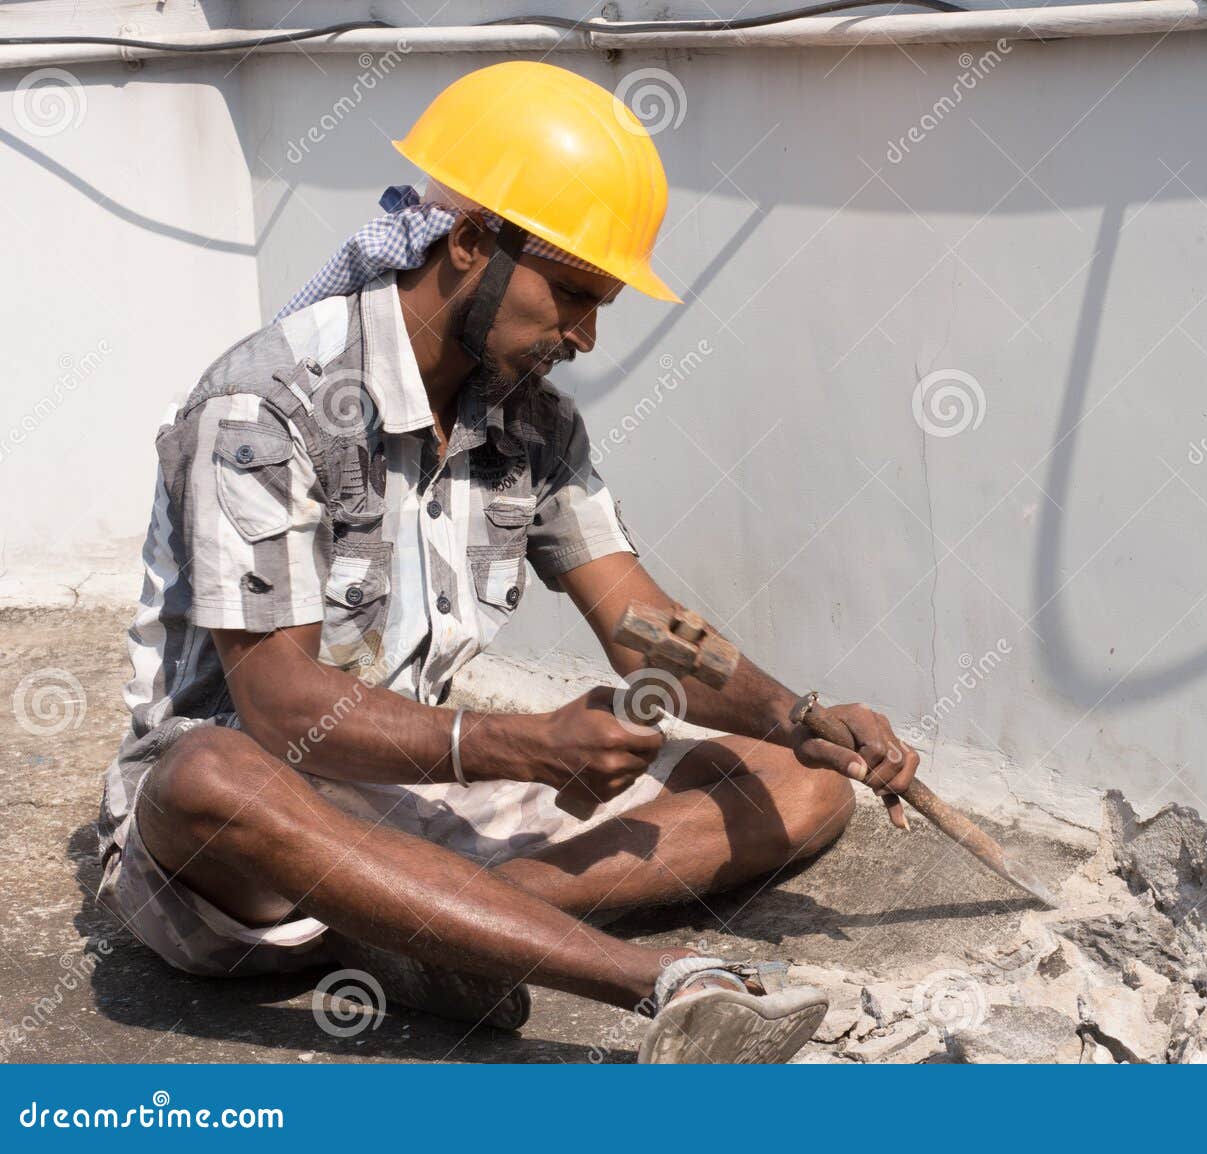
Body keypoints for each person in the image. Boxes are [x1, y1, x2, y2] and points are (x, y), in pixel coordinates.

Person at [93, 61, 920, 1064]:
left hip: (424, 801)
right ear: (471, 243)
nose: (584, 333)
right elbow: (283, 710)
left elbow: (639, 623)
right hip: (254, 842)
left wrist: (800, 716)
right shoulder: (265, 403)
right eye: (571, 292)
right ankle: (651, 981)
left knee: (794, 781)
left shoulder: (532, 419)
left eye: (602, 303)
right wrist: (522, 746)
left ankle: (448, 922)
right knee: (202, 772)